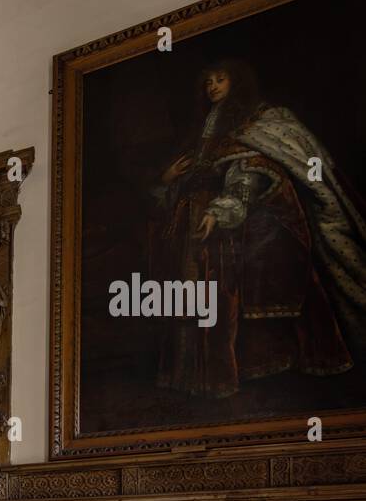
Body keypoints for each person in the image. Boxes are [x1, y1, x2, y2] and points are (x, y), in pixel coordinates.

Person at [153, 60, 366, 398]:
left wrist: (219, 212)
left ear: (236, 82)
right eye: (208, 81)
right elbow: (185, 181)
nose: (213, 87)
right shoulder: (202, 130)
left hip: (230, 225)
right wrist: (168, 181)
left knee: (221, 296)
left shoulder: (258, 122)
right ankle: (191, 377)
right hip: (191, 221)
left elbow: (248, 173)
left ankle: (226, 376)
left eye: (220, 79)